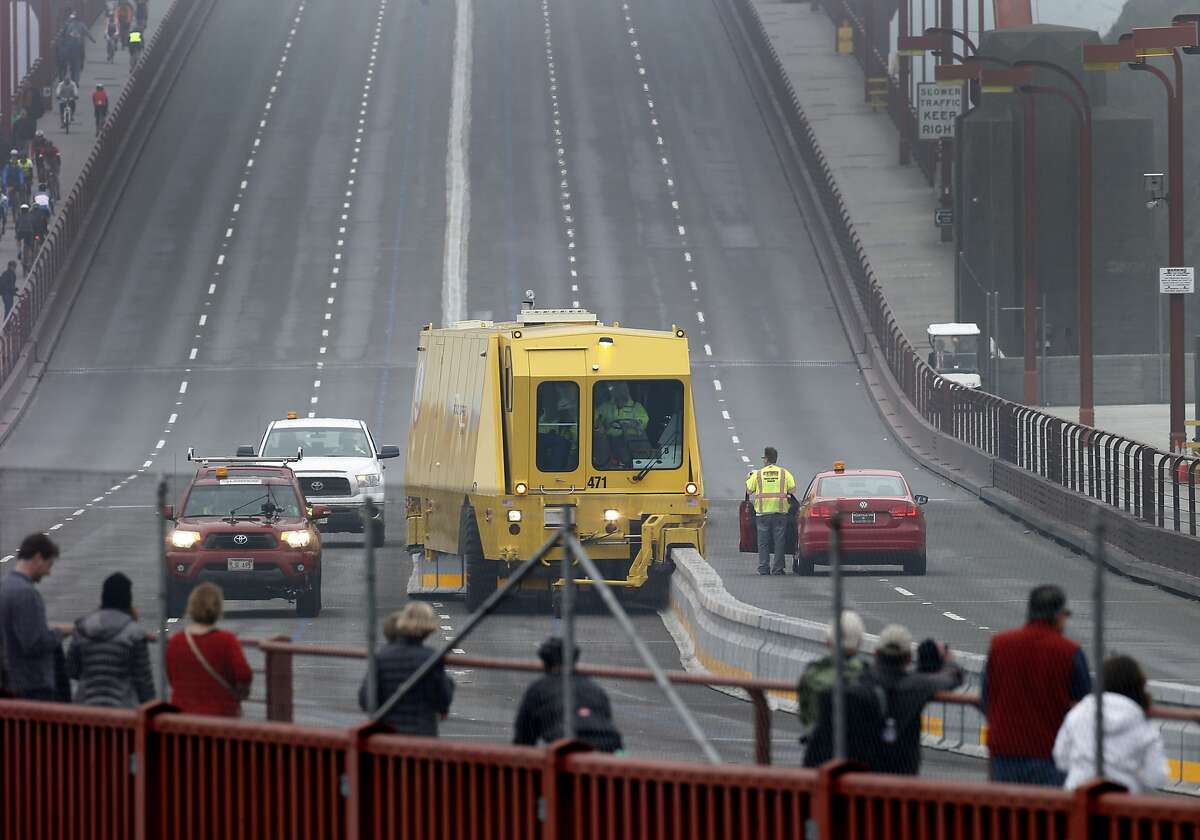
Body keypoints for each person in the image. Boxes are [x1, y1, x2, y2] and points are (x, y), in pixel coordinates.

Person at [804, 624, 963, 774]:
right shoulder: (916, 686)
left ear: (876, 654)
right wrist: (947, 662)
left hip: (859, 779)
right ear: (908, 658)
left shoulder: (858, 682)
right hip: (899, 781)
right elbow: (951, 677)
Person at [982, 584, 1091, 785]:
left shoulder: (999, 645)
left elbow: (986, 698)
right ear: (1058, 616)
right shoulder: (1070, 652)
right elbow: (1084, 709)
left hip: (1004, 753)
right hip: (1050, 754)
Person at [1054, 655, 1168, 793]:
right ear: (1139, 685)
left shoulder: (1079, 713)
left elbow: (1060, 757)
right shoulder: (1142, 723)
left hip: (1078, 799)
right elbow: (1156, 778)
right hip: (1121, 804)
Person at [357, 601, 454, 735]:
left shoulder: (381, 657)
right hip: (421, 734)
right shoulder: (430, 658)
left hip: (387, 734)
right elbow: (443, 698)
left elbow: (365, 698)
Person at [513, 637, 623, 752]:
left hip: (569, 749)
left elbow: (523, 740)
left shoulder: (538, 689)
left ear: (545, 663)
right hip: (613, 748)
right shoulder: (594, 687)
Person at [66, 572, 155, 707]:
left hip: (85, 708)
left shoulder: (83, 627)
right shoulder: (135, 634)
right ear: (128, 598)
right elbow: (143, 681)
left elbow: (72, 669)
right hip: (122, 711)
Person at [166, 583, 252, 716]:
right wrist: (240, 693)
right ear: (218, 609)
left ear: (191, 607)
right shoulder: (226, 640)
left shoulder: (176, 641)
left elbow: (171, 677)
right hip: (218, 719)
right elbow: (244, 673)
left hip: (182, 720)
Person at [0, 533, 69, 700]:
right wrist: (60, 633)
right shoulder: (26, 593)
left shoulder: (4, 586)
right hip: (32, 686)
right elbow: (34, 643)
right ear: (38, 558)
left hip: (9, 682)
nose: (49, 572)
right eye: (49, 564)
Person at [797, 610, 868, 739]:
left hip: (820, 748)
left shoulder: (813, 673)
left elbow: (804, 713)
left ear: (828, 642)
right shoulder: (870, 677)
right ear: (860, 642)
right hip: (861, 751)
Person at [745, 446, 796, 575]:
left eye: (764, 458)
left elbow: (749, 490)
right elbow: (792, 490)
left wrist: (748, 478)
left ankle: (763, 568)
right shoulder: (785, 473)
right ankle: (778, 569)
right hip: (780, 512)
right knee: (779, 541)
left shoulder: (758, 474)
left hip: (762, 513)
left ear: (766, 459)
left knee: (763, 542)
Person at [592, 381, 650, 467]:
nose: (621, 392)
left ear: (628, 391)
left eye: (623, 389)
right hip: (609, 442)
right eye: (618, 389)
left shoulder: (637, 407)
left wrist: (631, 424)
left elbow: (644, 421)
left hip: (632, 443)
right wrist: (598, 426)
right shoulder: (605, 407)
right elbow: (593, 419)